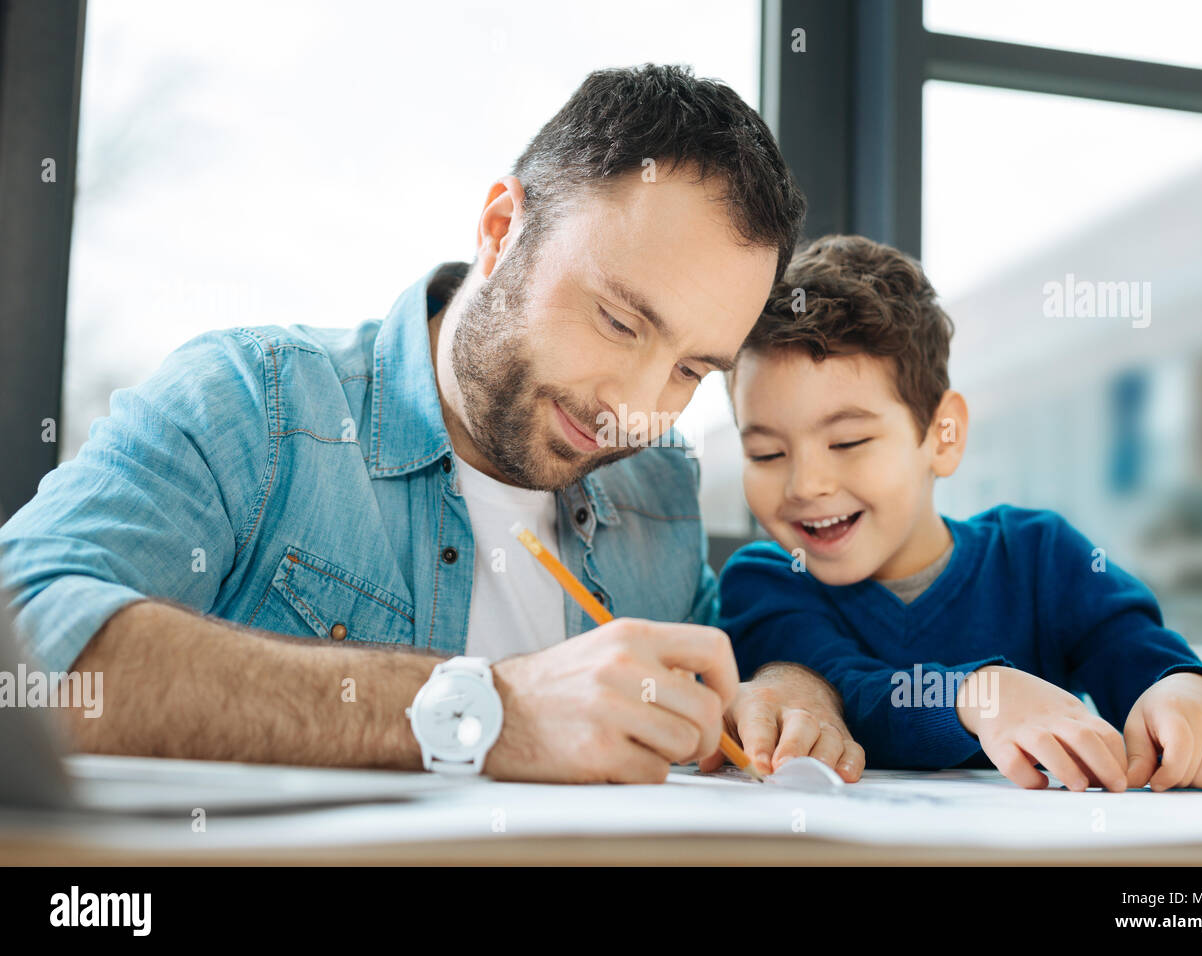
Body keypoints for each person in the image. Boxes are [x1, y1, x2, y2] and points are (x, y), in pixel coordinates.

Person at [0, 66, 867, 784]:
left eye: (690, 370)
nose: (631, 405)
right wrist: (490, 709)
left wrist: (786, 692)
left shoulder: (657, 487)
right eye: (617, 321)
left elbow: (728, 665)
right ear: (500, 231)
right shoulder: (251, 406)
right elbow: (21, 649)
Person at [719, 234, 1202, 791]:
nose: (806, 484)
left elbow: (1147, 659)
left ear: (943, 436)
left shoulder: (1040, 557)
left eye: (849, 441)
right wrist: (978, 694)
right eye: (766, 453)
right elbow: (847, 691)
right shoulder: (765, 583)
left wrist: (1194, 697)